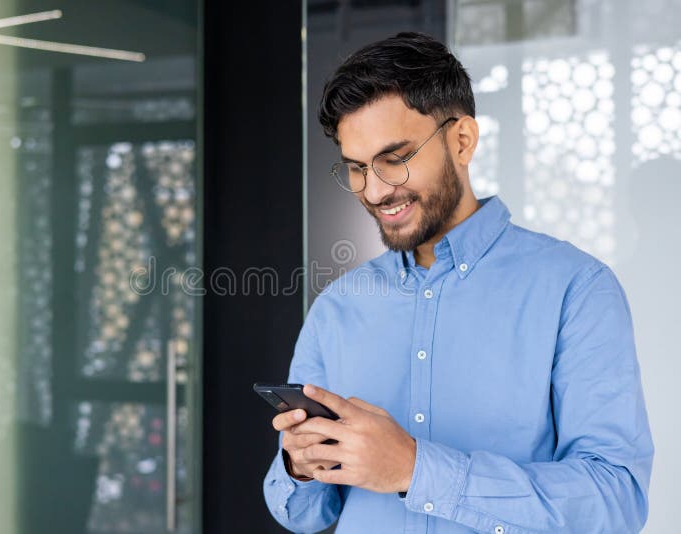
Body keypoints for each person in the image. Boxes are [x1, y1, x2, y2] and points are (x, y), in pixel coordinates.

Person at [262, 32, 654, 534]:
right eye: (357, 168)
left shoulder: (576, 289)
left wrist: (415, 469)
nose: (376, 190)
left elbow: (615, 500)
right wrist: (301, 467)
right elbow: (300, 515)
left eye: (394, 158)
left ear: (462, 140)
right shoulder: (339, 306)